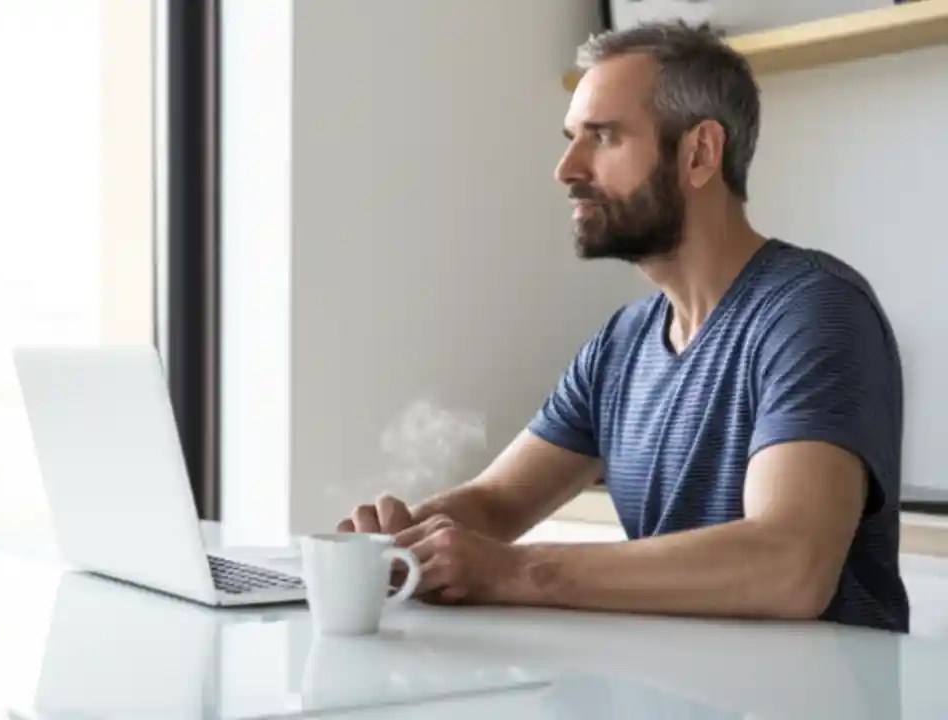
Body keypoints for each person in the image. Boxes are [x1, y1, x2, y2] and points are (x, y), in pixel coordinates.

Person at [338, 23, 909, 632]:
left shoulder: (814, 312)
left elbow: (789, 565)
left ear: (699, 154)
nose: (566, 167)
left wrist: (519, 571)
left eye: (602, 137)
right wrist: (400, 544)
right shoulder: (623, 344)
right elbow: (496, 503)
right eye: (570, 138)